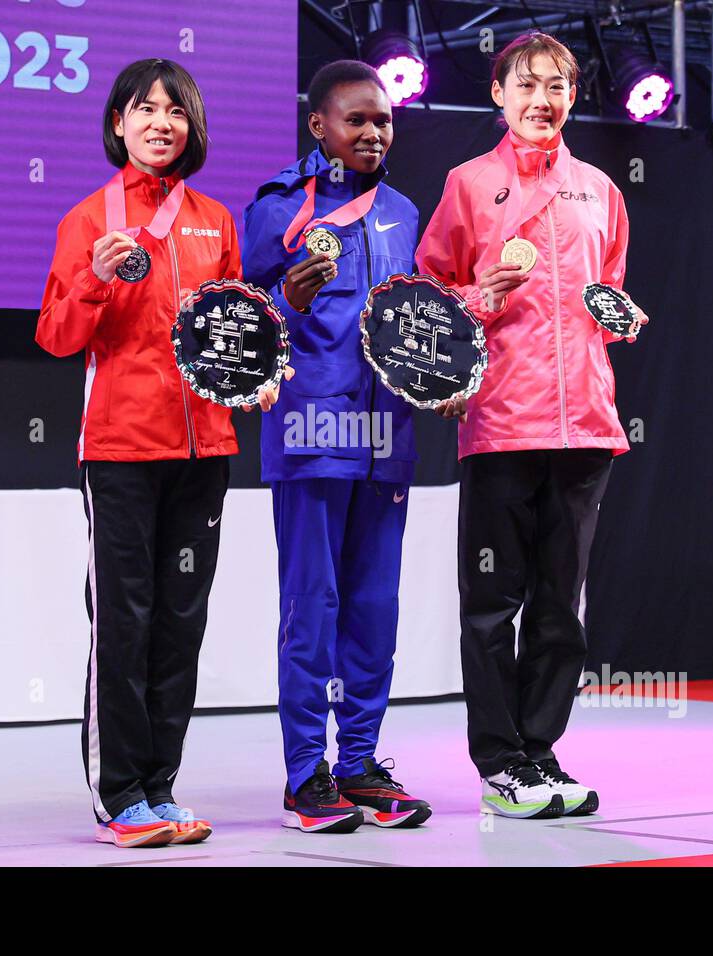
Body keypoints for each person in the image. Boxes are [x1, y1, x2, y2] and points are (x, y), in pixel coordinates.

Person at [416, 32, 650, 820]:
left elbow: (604, 297)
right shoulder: (468, 185)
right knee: (490, 606)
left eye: (557, 85)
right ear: (497, 95)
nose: (541, 99)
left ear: (573, 97)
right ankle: (500, 764)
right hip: (500, 423)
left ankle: (542, 753)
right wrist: (482, 290)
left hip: (586, 424)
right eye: (526, 85)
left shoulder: (600, 191)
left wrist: (621, 320)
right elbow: (433, 308)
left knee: (561, 608)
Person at [36, 58, 244, 848]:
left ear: (192, 127)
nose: (161, 122)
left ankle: (161, 788)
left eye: (176, 110)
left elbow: (231, 333)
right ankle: (119, 794)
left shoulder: (215, 220)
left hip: (205, 450)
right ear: (119, 123)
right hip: (121, 450)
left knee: (180, 624)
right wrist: (91, 280)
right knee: (123, 622)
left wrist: (252, 380)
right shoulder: (90, 218)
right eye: (144, 109)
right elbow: (56, 337)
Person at [243, 61, 432, 832]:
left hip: (386, 435)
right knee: (311, 608)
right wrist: (285, 298)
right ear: (318, 126)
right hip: (311, 430)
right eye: (355, 120)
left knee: (374, 608)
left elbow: (412, 327)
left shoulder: (404, 212)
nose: (372, 132)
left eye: (382, 120)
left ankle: (358, 762)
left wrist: (437, 375)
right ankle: (303, 775)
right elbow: (244, 322)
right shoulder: (276, 209)